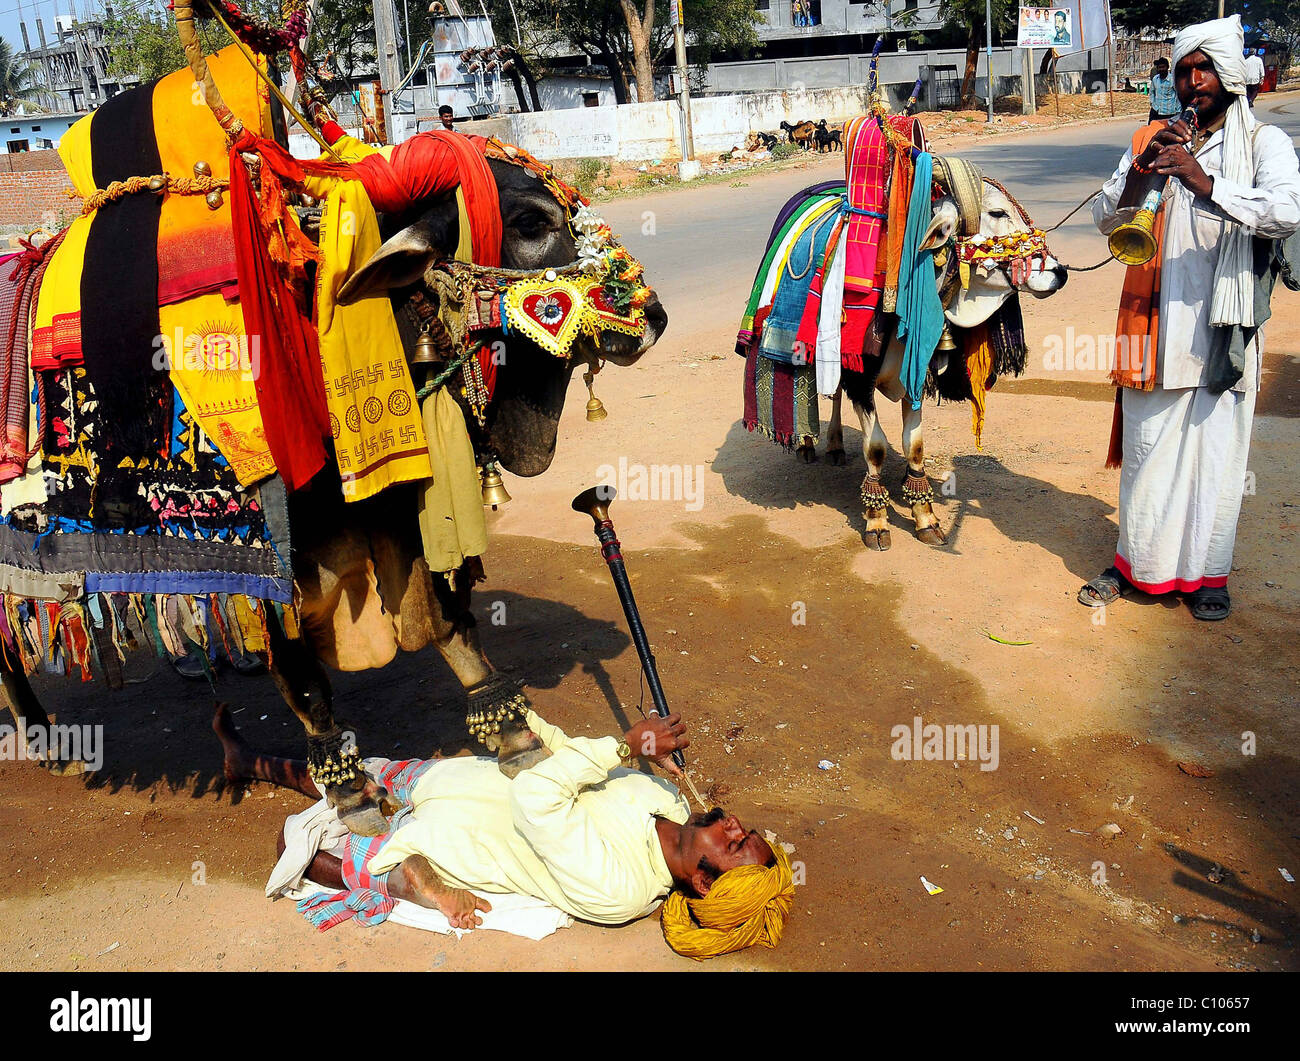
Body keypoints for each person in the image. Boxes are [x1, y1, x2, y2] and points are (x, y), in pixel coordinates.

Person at [217, 704, 795, 959]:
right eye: (749, 831)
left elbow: (537, 799)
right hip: (464, 780)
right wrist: (521, 722)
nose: (736, 826)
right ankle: (246, 762)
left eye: (736, 845)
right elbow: (565, 758)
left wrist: (624, 744)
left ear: (699, 882)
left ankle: (402, 882)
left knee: (296, 847)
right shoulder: (664, 795)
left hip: (447, 839)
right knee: (344, 776)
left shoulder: (619, 890)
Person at [1082, 14, 1300, 621]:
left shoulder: (1263, 144)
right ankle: (1139, 567)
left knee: (1216, 457)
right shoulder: (1153, 139)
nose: (1193, 81)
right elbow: (1105, 217)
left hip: (1223, 328)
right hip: (1154, 330)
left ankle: (1209, 577)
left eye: (1204, 69)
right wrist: (1140, 168)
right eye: (1183, 71)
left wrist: (1206, 184)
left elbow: (1286, 210)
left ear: (1229, 76)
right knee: (1150, 450)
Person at [1148, 57, 1178, 121]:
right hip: (1156, 111)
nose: (1161, 69)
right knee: (1152, 129)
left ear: (1167, 67)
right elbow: (1151, 92)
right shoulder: (1155, 79)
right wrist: (1153, 104)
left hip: (1170, 113)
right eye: (1159, 67)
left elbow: (1178, 95)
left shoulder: (1173, 79)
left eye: (1163, 67)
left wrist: (1178, 110)